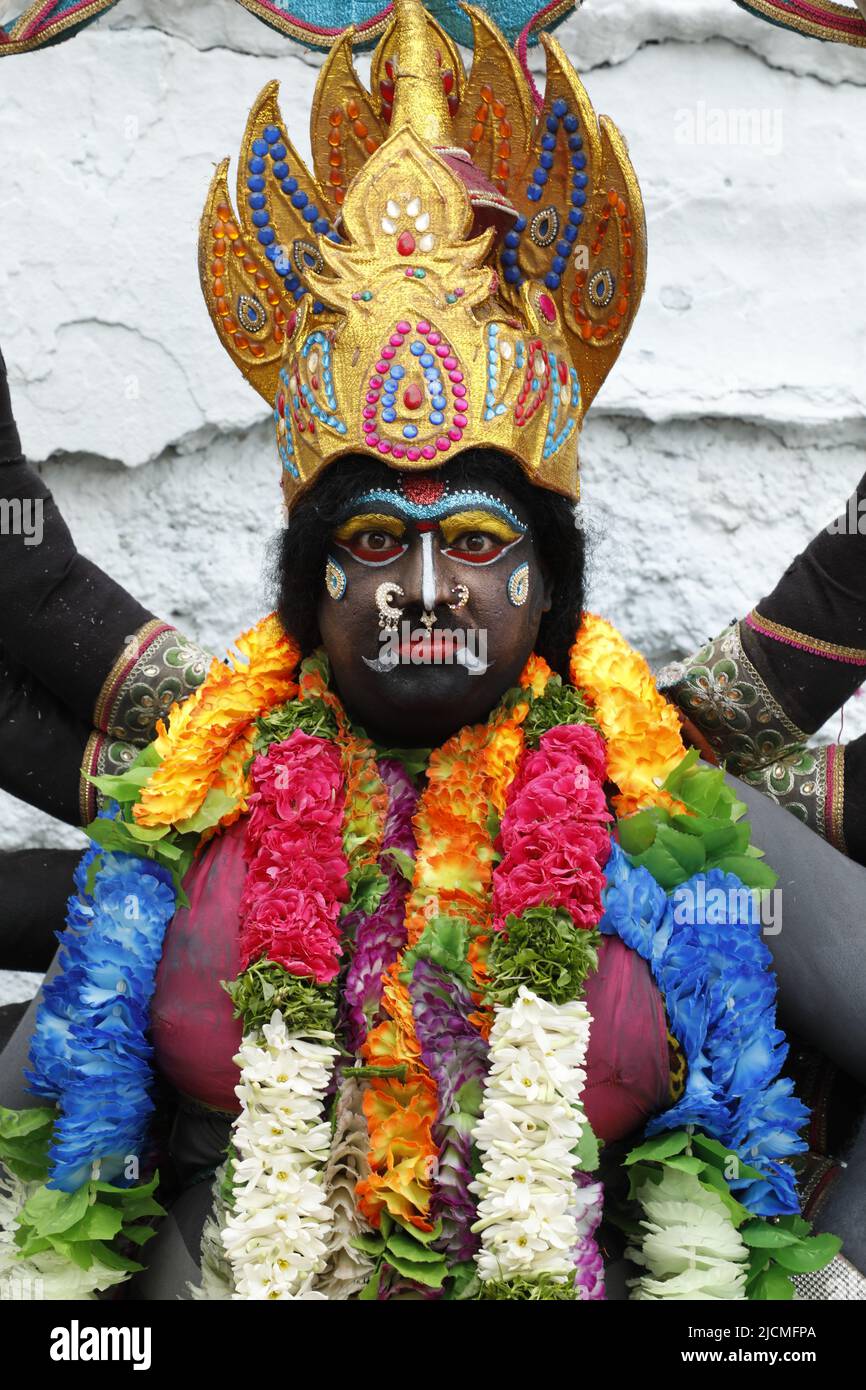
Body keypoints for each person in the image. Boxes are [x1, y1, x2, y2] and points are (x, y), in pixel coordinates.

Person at [1, 0, 864, 1301]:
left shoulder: (683, 830)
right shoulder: (176, 827)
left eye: (467, 538)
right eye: (366, 539)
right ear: (309, 583)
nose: (414, 588)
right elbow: (35, 1147)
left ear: (545, 584)